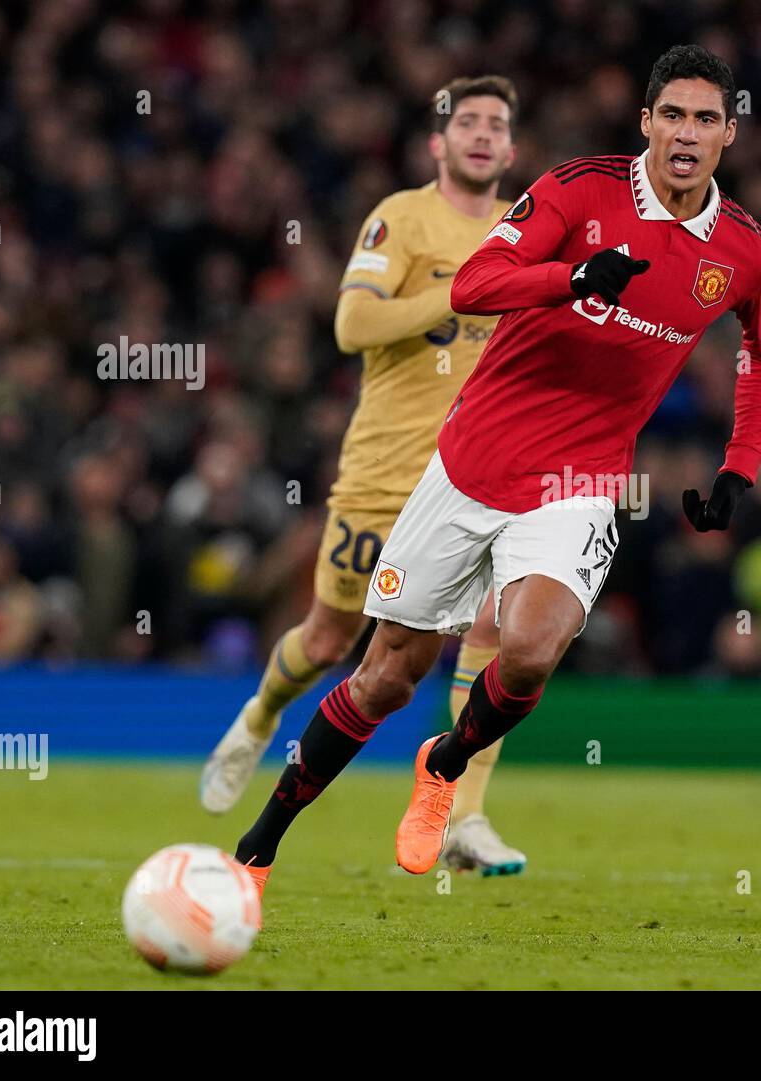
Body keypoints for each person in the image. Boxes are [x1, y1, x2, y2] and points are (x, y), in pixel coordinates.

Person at [233, 44, 761, 898]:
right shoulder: (579, 190)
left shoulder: (747, 253)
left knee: (529, 650)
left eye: (706, 118)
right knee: (386, 676)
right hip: (469, 464)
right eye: (672, 114)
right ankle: (259, 849)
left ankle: (446, 764)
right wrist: (571, 278)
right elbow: (474, 286)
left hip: (581, 482)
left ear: (729, 133)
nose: (687, 133)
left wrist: (739, 466)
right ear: (646, 122)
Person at [202, 75, 529, 875]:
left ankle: (464, 815)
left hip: (479, 478)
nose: (483, 135)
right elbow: (352, 322)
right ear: (438, 143)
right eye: (469, 123)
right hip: (385, 477)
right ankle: (256, 717)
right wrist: (457, 291)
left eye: (497, 125)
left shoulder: (525, 230)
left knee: (492, 631)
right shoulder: (401, 217)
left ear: (513, 149)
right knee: (328, 638)